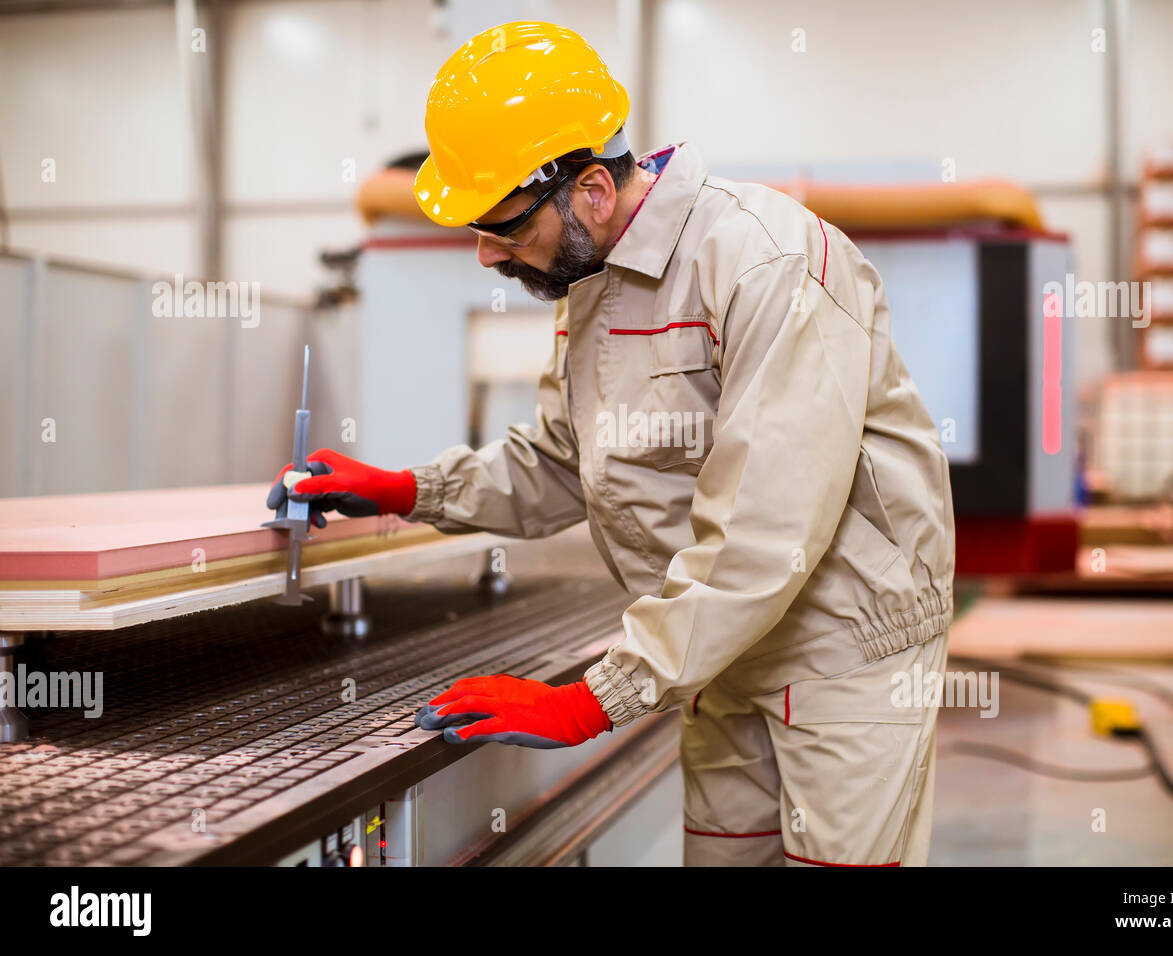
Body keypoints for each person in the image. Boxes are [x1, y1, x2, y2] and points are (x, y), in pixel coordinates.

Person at [267, 20, 955, 867]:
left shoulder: (765, 261)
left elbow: (766, 528)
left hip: (840, 652)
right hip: (715, 650)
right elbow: (566, 457)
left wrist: (597, 699)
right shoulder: (594, 280)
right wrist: (411, 491)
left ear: (591, 189)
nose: (486, 255)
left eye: (505, 228)